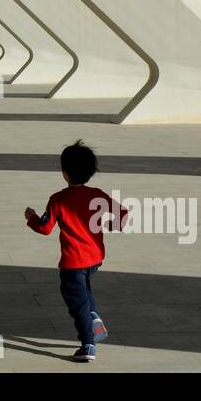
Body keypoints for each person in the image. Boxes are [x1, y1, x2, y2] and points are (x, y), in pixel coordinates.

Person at [24, 140, 128, 362]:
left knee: (75, 299)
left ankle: (88, 344)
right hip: (95, 259)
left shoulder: (58, 199)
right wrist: (112, 224)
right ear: (91, 172)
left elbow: (44, 228)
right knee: (84, 287)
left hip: (73, 262)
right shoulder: (97, 194)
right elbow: (123, 213)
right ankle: (93, 315)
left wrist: (31, 217)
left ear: (64, 173)